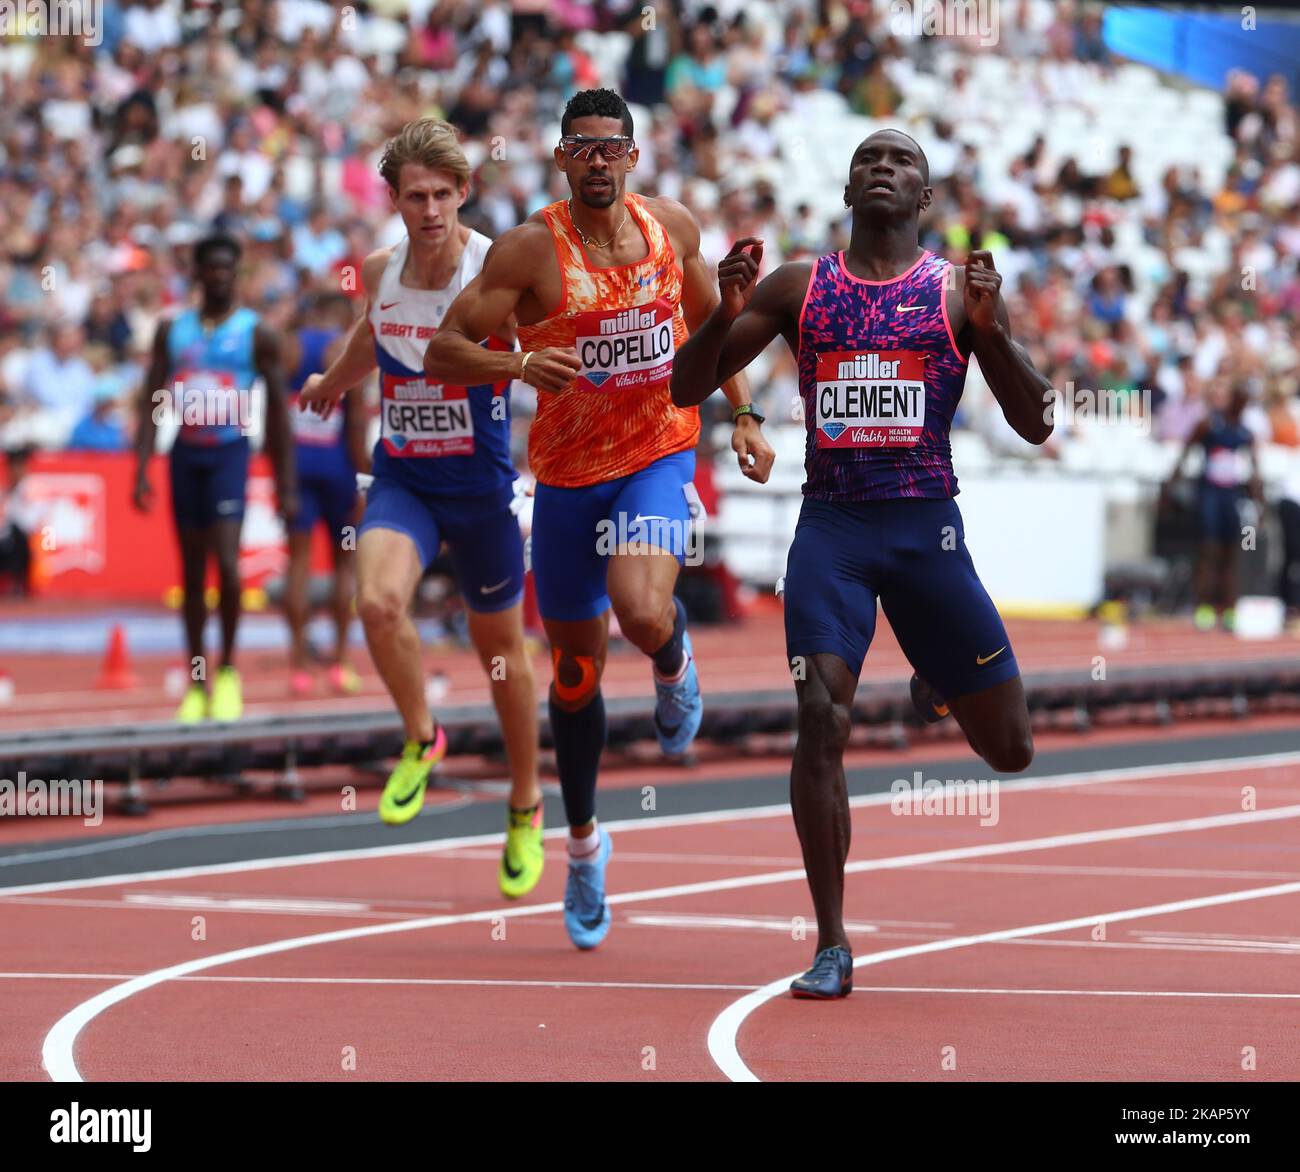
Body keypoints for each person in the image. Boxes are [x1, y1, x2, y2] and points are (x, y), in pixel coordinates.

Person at [672, 129, 1050, 997]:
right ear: (848, 188)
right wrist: (724, 315)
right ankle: (833, 942)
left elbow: (1037, 422)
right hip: (833, 533)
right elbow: (683, 392)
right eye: (870, 160)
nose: (883, 168)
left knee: (1013, 751)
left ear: (925, 199)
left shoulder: (957, 294)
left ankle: (938, 679)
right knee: (821, 715)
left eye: (902, 162)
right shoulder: (800, 287)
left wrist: (990, 336)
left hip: (927, 537)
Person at [425, 88, 774, 950]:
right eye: (579, 148)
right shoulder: (528, 252)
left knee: (643, 607)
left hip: (659, 450)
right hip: (569, 478)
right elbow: (441, 351)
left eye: (609, 148)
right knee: (575, 678)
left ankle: (672, 652)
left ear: (632, 157)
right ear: (560, 158)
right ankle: (583, 845)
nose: (595, 162)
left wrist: (747, 413)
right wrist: (514, 360)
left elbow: (712, 324)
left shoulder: (674, 230)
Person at [299, 119, 544, 899]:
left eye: (443, 194)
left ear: (464, 193)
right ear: (396, 200)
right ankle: (422, 735)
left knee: (501, 656)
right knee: (376, 603)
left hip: (479, 492)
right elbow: (371, 339)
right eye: (416, 197)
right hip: (404, 480)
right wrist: (334, 381)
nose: (431, 209)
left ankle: (525, 801)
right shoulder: (380, 269)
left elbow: (540, 345)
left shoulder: (495, 268)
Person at [133, 232, 298, 722]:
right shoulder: (174, 331)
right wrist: (142, 467)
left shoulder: (257, 333)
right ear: (199, 274)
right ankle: (196, 678)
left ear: (237, 274)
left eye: (228, 268)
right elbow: (150, 397)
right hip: (186, 454)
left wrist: (286, 484)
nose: (220, 276)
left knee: (227, 566)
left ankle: (227, 670)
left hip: (230, 455)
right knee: (189, 574)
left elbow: (280, 418)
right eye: (212, 268)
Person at [283, 293, 368, 696]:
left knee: (298, 564)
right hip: (338, 468)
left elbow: (273, 412)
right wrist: (363, 475)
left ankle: (299, 665)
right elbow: (355, 420)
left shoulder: (292, 345)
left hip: (298, 465)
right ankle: (340, 662)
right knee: (344, 566)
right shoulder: (346, 348)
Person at [1161, 379, 1263, 632]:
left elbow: (1253, 470)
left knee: (1231, 553)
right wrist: (1168, 489)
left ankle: (1229, 609)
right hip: (1209, 494)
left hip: (1231, 496)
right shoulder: (1207, 425)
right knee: (1209, 551)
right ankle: (1203, 607)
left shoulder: (1243, 431)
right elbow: (1184, 455)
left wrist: (1259, 504)